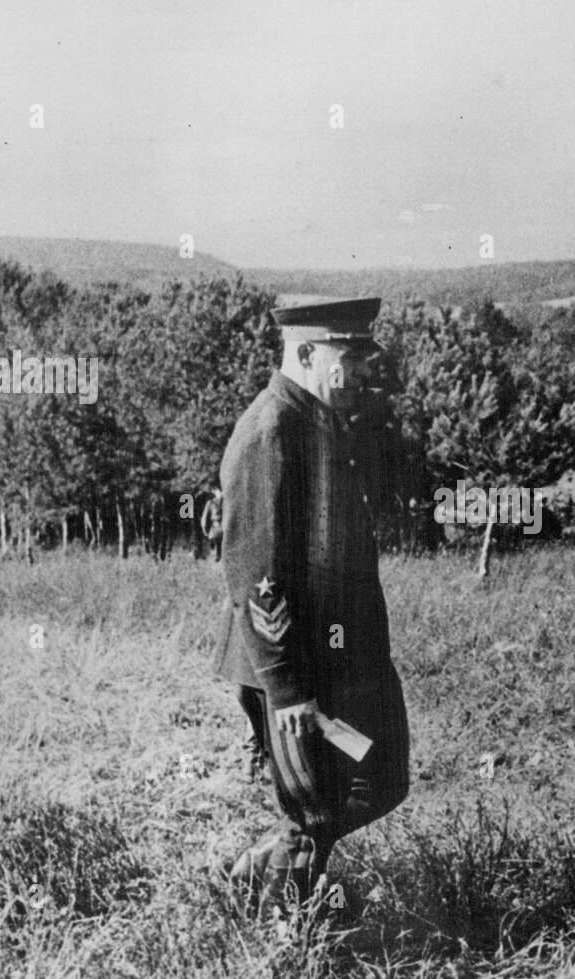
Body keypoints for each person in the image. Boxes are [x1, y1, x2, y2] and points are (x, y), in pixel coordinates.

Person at [211, 297, 410, 917]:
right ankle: (280, 944)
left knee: (379, 774)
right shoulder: (272, 429)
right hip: (292, 671)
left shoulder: (317, 418)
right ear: (304, 354)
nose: (358, 373)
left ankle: (250, 875)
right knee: (315, 805)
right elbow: (254, 573)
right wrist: (288, 688)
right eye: (346, 358)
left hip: (338, 662)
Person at [200, 486, 224, 562]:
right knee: (213, 538)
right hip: (215, 524)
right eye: (217, 491)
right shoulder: (210, 503)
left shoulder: (225, 502)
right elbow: (205, 515)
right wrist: (203, 526)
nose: (219, 493)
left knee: (219, 540)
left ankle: (219, 556)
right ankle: (215, 552)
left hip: (223, 524)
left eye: (220, 491)